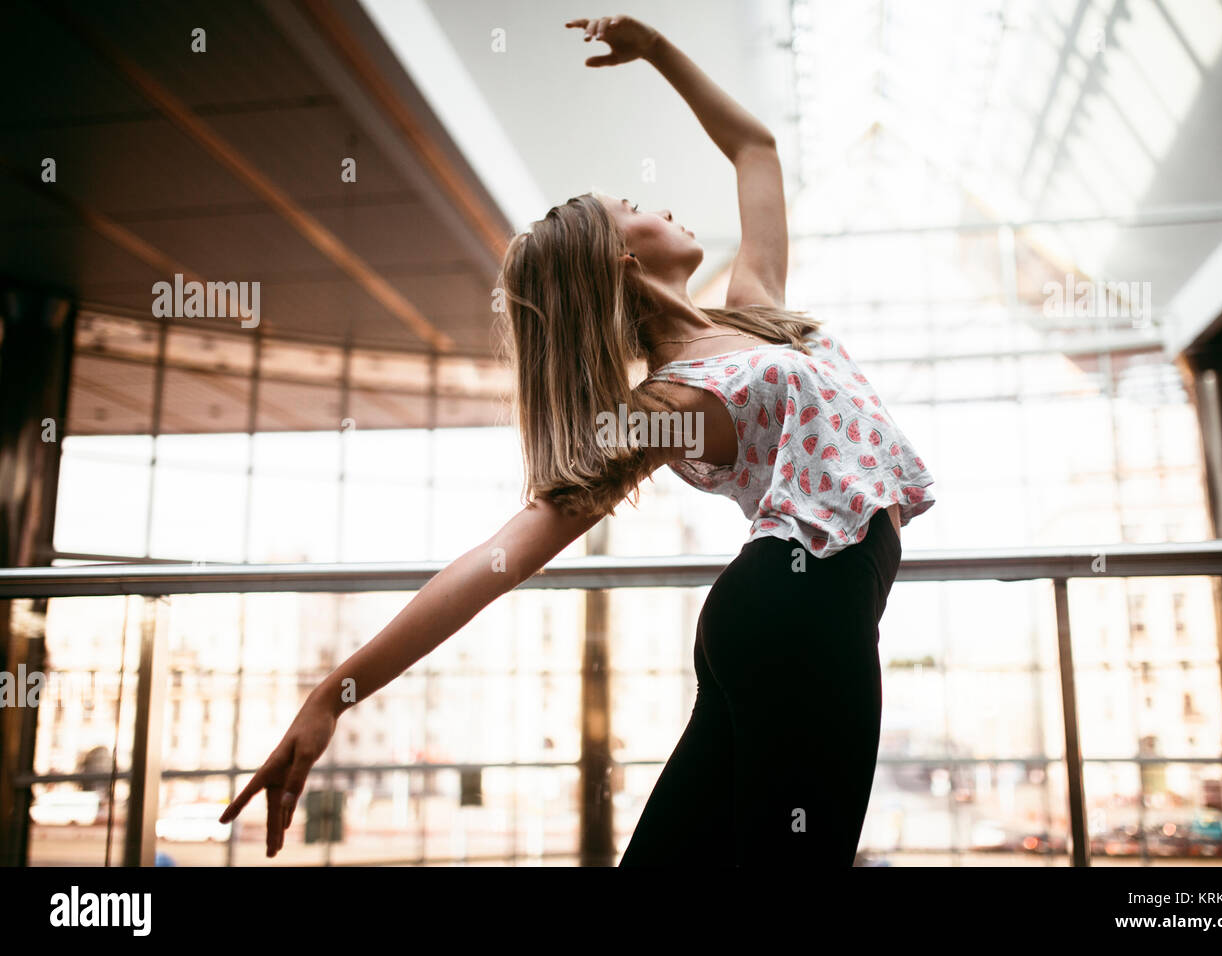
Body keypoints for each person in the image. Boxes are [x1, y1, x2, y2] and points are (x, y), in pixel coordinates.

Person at [219, 13, 935, 866]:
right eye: (635, 209)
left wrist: (659, 50)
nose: (662, 205)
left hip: (785, 621)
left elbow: (755, 151)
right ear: (622, 263)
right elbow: (503, 555)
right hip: (803, 618)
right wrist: (334, 695)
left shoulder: (756, 312)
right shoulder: (670, 401)